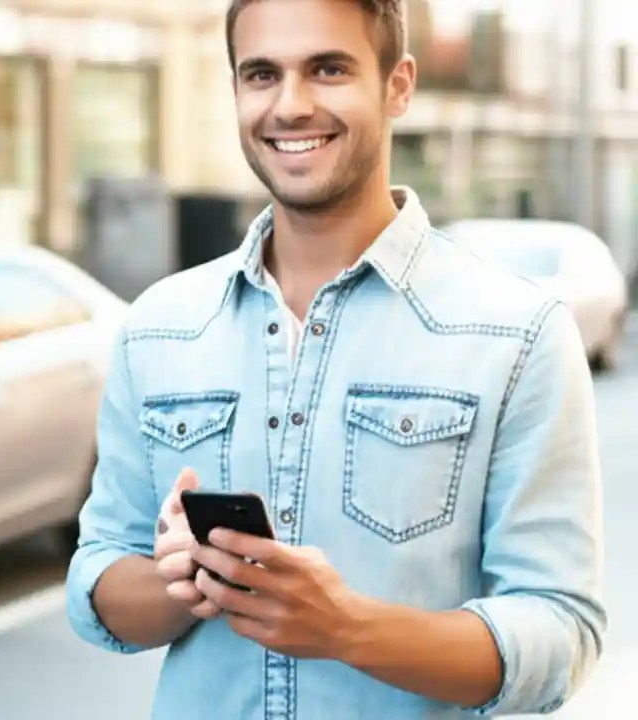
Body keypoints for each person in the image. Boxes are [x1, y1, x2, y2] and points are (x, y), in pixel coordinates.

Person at [65, 0, 606, 717]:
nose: (290, 105)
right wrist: (186, 580)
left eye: (328, 69)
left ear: (398, 85)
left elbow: (560, 632)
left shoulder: (518, 332)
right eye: (261, 74)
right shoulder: (159, 328)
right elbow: (97, 578)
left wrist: (349, 629)